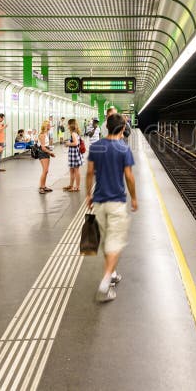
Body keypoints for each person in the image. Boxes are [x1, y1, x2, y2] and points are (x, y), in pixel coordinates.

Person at [85, 113, 138, 302]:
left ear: (106, 127)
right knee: (115, 242)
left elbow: (89, 172)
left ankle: (113, 273)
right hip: (116, 202)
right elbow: (129, 176)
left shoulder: (96, 146)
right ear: (123, 128)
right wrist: (134, 198)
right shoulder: (123, 149)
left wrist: (88, 195)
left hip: (99, 202)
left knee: (107, 240)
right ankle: (106, 281)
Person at [36, 120, 56, 194]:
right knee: (45, 171)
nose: (50, 126)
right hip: (43, 153)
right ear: (46, 126)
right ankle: (41, 187)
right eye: (49, 125)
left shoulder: (46, 134)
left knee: (46, 171)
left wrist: (49, 152)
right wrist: (50, 153)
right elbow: (43, 148)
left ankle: (43, 186)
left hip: (45, 152)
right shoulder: (42, 135)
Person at [63, 118, 82, 192]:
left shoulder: (73, 133)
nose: (67, 126)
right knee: (71, 170)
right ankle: (71, 185)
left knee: (76, 170)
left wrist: (68, 144)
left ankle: (77, 187)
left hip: (75, 154)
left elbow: (76, 143)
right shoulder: (74, 133)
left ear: (70, 125)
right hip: (73, 154)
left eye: (68, 124)